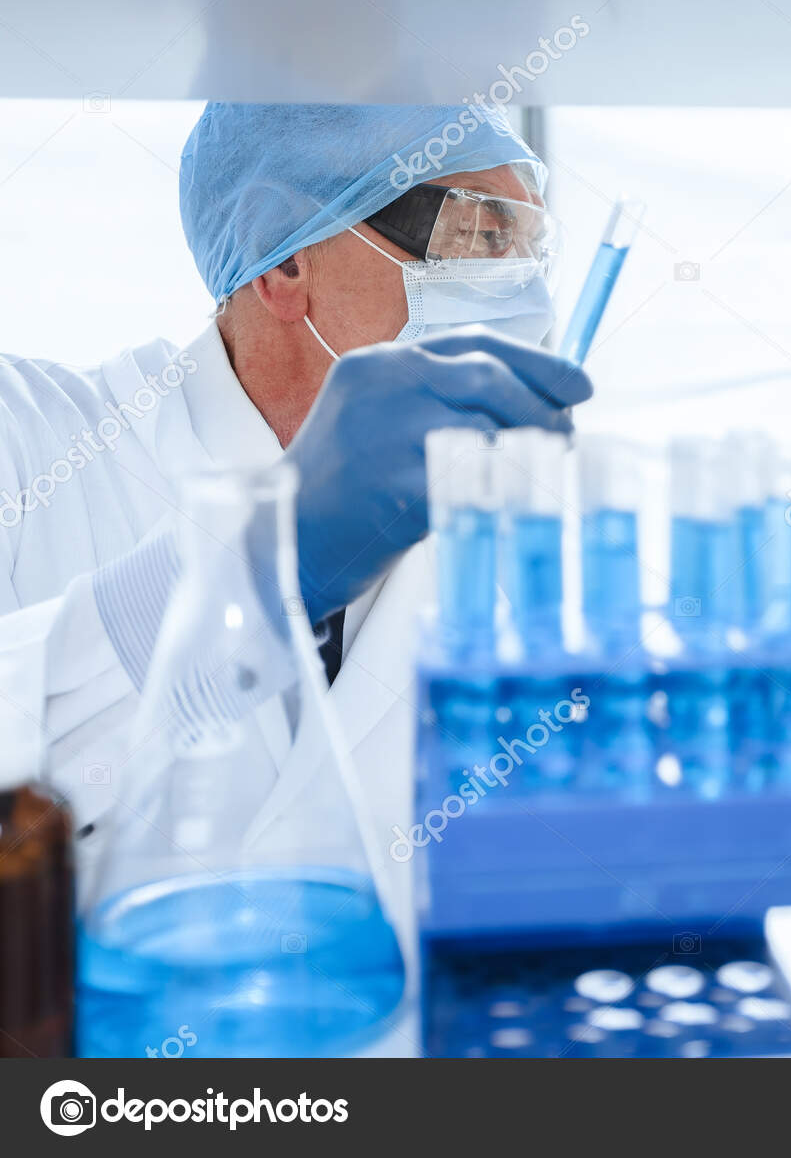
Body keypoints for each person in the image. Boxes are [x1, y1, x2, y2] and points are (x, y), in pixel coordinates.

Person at [0, 103, 591, 867]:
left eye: (532, 253)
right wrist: (262, 560)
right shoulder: (30, 437)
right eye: (480, 234)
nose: (529, 300)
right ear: (283, 261)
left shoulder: (504, 546)